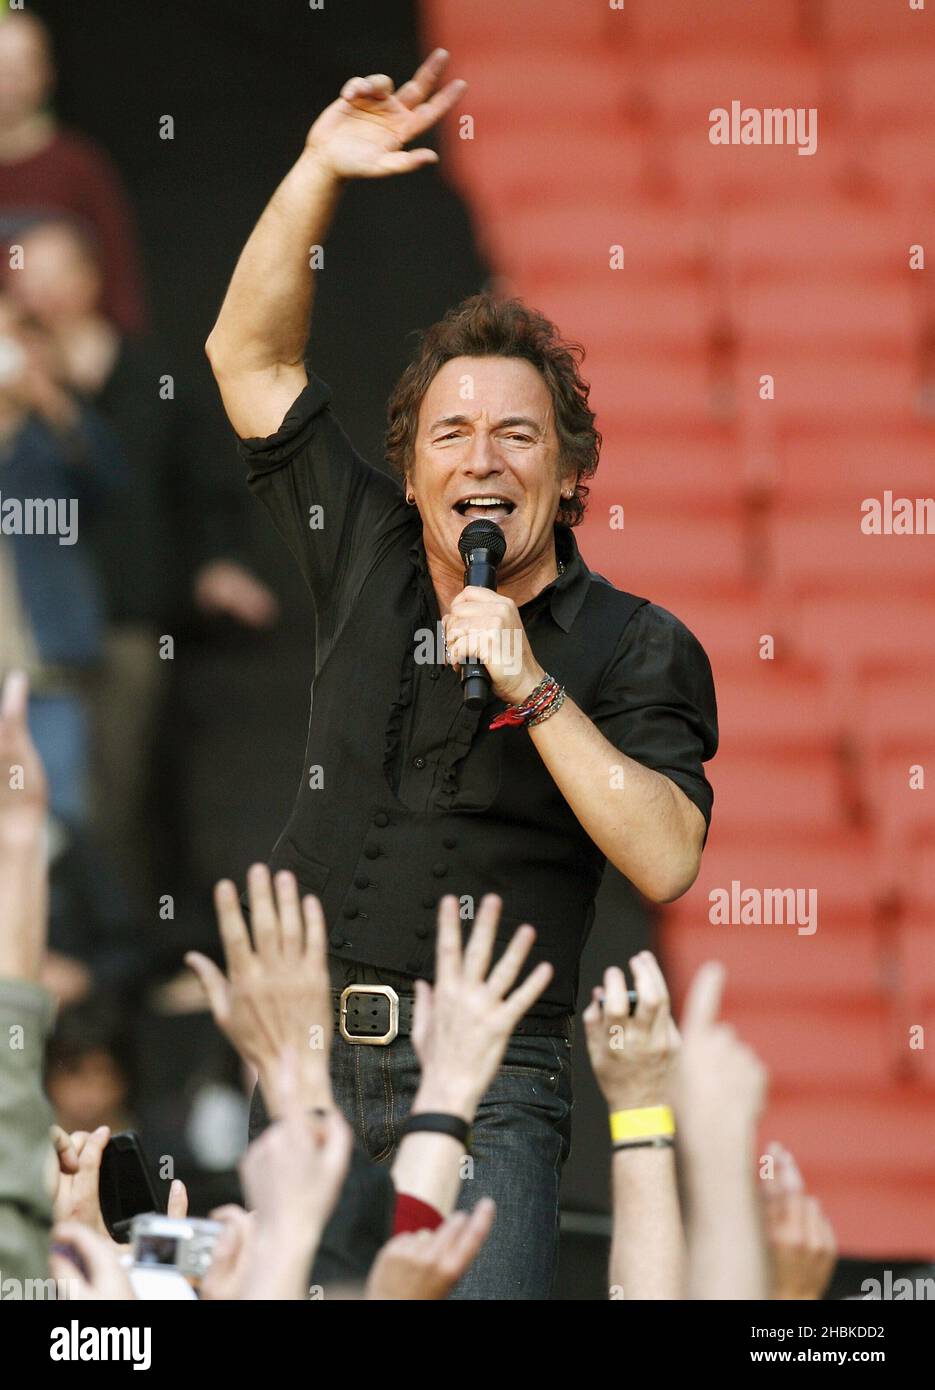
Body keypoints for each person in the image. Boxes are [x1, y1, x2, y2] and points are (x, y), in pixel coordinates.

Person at [205, 48, 718, 1298]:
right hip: (304, 1063)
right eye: (450, 432)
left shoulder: (639, 642)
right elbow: (248, 359)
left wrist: (535, 686)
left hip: (495, 1089)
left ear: (568, 467)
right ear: (413, 463)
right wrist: (319, 170)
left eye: (514, 434)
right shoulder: (369, 544)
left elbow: (665, 852)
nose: (478, 455)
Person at [0, 10, 146, 336]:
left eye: (21, 65)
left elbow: (121, 282)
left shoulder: (80, 165)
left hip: (70, 351)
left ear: (46, 73)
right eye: (1, 66)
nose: (9, 80)